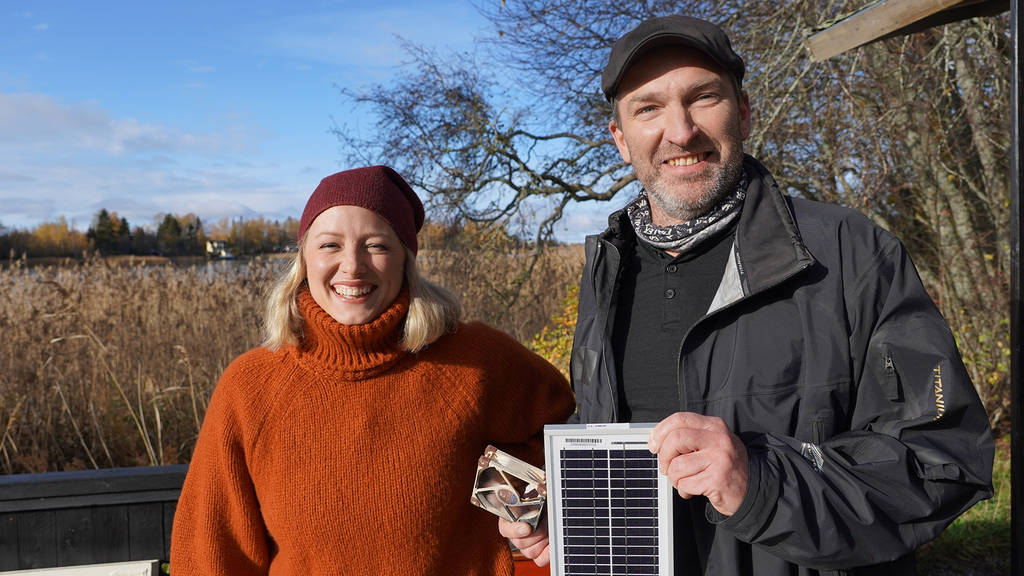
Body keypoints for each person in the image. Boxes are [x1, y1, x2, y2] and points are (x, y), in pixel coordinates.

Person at [501, 14, 994, 575]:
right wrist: (561, 510)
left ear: (745, 111)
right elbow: (613, 428)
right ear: (620, 139)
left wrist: (761, 482)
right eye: (648, 108)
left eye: (702, 97)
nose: (680, 131)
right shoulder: (608, 270)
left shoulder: (849, 253)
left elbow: (943, 460)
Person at [170, 165, 575, 575]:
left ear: (406, 260)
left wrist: (520, 503)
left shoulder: (473, 361)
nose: (352, 266)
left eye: (376, 246)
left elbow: (570, 433)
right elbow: (211, 549)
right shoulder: (251, 386)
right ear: (304, 259)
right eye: (330, 245)